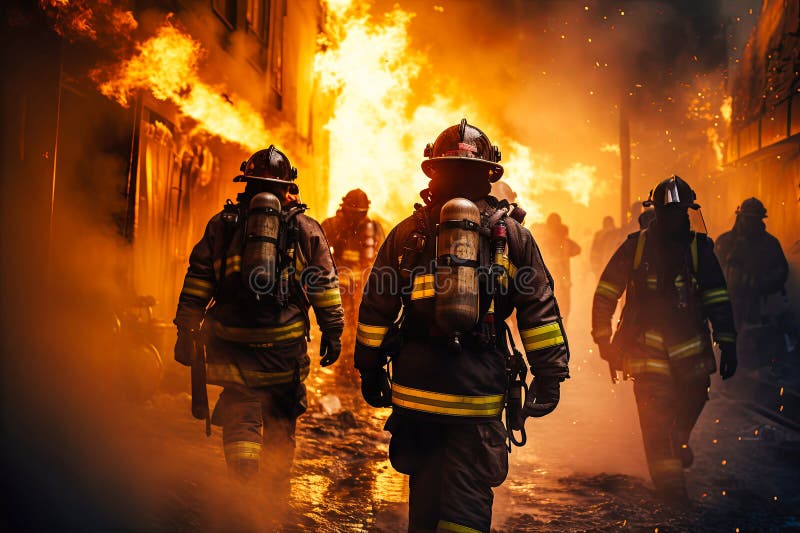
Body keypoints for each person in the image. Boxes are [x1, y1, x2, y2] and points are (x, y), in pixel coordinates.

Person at [354, 119, 570, 532]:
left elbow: (376, 307)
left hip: (417, 391)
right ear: (488, 174)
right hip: (478, 394)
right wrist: (550, 375)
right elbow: (539, 309)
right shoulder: (513, 238)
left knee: (425, 493)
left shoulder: (407, 234)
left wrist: (369, 367)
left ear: (433, 170)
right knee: (467, 499)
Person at [173, 146, 344, 495]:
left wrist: (185, 329)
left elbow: (198, 280)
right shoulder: (304, 227)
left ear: (246, 182)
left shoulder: (221, 225)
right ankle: (273, 495)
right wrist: (333, 330)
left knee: (240, 414)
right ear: (288, 188)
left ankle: (243, 488)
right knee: (281, 421)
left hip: (233, 346)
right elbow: (325, 285)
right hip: (284, 353)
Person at [591, 175, 737, 501]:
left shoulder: (698, 249)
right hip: (645, 350)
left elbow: (717, 297)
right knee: (656, 421)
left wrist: (728, 342)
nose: (678, 218)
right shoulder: (636, 246)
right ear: (656, 212)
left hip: (691, 351)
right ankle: (672, 492)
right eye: (671, 212)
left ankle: (679, 439)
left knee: (693, 401)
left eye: (683, 211)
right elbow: (605, 294)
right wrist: (603, 340)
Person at [321, 189, 385, 381]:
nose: (357, 218)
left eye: (361, 213)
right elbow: (318, 256)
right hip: (339, 289)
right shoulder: (332, 226)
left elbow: (382, 260)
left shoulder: (373, 229)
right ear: (344, 208)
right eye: (353, 212)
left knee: (359, 326)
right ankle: (343, 365)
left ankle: (354, 367)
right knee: (343, 325)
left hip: (362, 290)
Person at [715, 197, 788, 330]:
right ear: (740, 218)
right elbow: (714, 273)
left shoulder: (770, 244)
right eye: (748, 219)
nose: (751, 223)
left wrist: (761, 284)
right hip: (732, 310)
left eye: (755, 219)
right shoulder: (725, 243)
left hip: (762, 312)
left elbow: (781, 272)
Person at [535, 213, 581, 322]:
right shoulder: (549, 241)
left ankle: (559, 324)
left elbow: (577, 249)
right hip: (553, 279)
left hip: (556, 279)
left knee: (561, 305)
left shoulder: (563, 242)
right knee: (560, 305)